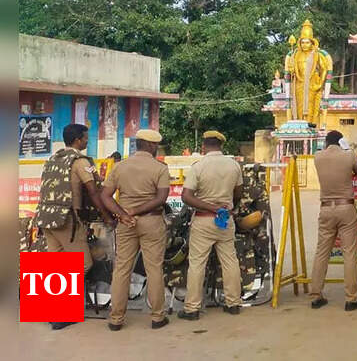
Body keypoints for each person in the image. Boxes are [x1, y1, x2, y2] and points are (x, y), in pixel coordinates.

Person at [34, 123, 114, 330]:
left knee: (57, 264)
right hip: (67, 220)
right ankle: (63, 313)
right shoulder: (80, 162)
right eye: (86, 138)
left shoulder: (53, 159)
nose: (88, 141)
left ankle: (52, 311)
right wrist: (106, 216)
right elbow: (94, 192)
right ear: (78, 139)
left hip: (46, 218)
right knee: (83, 264)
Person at [99, 129, 171, 331]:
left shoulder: (120, 167)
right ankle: (157, 317)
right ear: (150, 145)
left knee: (122, 269)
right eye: (155, 145)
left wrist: (123, 214)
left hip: (125, 224)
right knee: (154, 269)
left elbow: (105, 196)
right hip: (152, 222)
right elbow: (161, 198)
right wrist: (134, 211)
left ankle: (116, 319)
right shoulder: (159, 168)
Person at [178, 130, 243, 320]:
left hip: (204, 219)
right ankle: (233, 303)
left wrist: (210, 207)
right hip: (225, 220)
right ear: (221, 145)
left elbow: (186, 196)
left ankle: (192, 308)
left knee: (197, 263)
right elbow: (238, 192)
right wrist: (224, 207)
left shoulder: (199, 166)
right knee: (230, 260)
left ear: (204, 147)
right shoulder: (234, 166)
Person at [308, 130, 357, 311]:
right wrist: (349, 151)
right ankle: (351, 298)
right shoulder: (348, 156)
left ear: (325, 143)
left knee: (321, 252)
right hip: (346, 207)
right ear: (341, 142)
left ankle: (316, 295)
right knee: (349, 253)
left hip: (326, 208)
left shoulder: (317, 157)